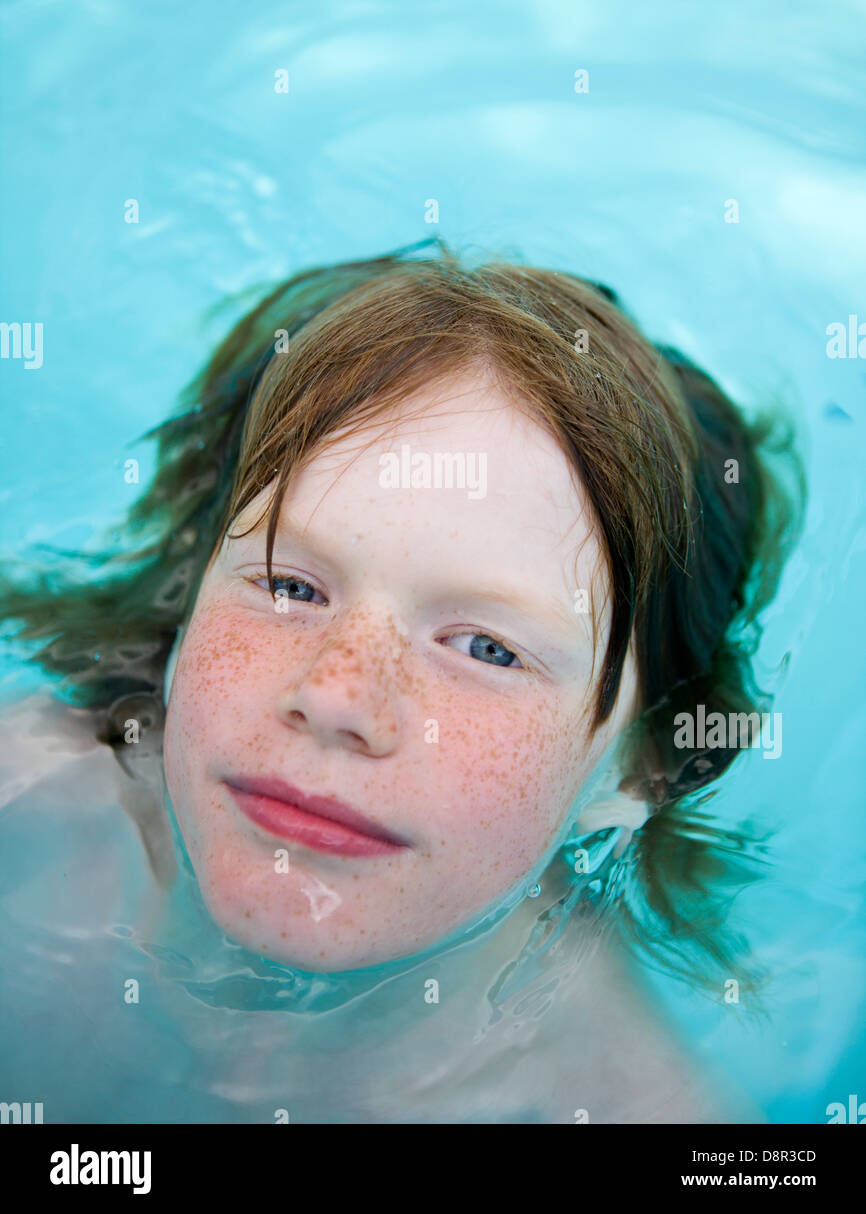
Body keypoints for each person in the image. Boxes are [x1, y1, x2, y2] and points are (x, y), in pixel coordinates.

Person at [0, 240, 803, 1122]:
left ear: (643, 763)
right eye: (290, 585)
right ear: (184, 607)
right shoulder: (26, 809)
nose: (340, 696)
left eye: (486, 649)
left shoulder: (637, 1111)